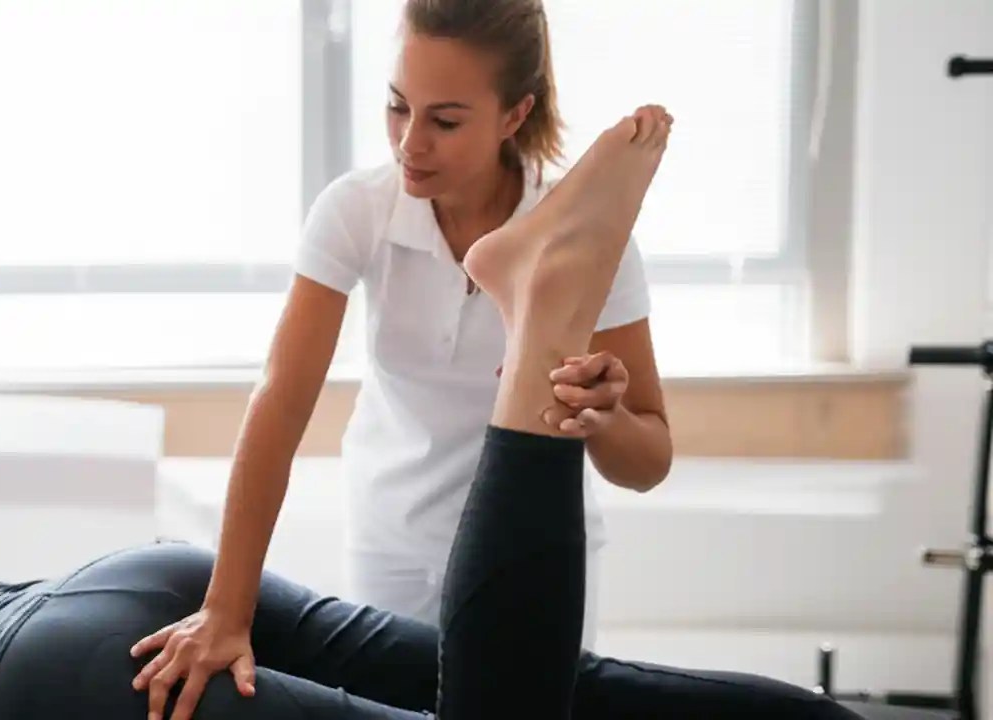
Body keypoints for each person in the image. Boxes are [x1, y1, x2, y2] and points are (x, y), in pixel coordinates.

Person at [135, 1, 840, 719]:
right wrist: (226, 609)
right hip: (392, 543)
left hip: (532, 546)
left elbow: (648, 459)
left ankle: (529, 292)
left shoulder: (592, 243)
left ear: (515, 114)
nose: (410, 142)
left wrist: (600, 416)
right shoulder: (358, 211)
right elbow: (280, 401)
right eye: (396, 106)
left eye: (444, 121)